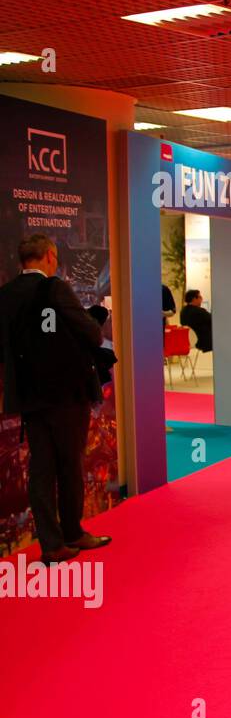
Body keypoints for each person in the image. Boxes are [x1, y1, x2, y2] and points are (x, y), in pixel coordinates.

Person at [0, 235, 112, 564]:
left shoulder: (4, 295)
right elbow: (91, 334)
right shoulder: (54, 289)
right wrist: (94, 320)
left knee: (40, 469)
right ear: (50, 256)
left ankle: (51, 544)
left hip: (29, 395)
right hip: (65, 392)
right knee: (70, 465)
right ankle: (73, 532)